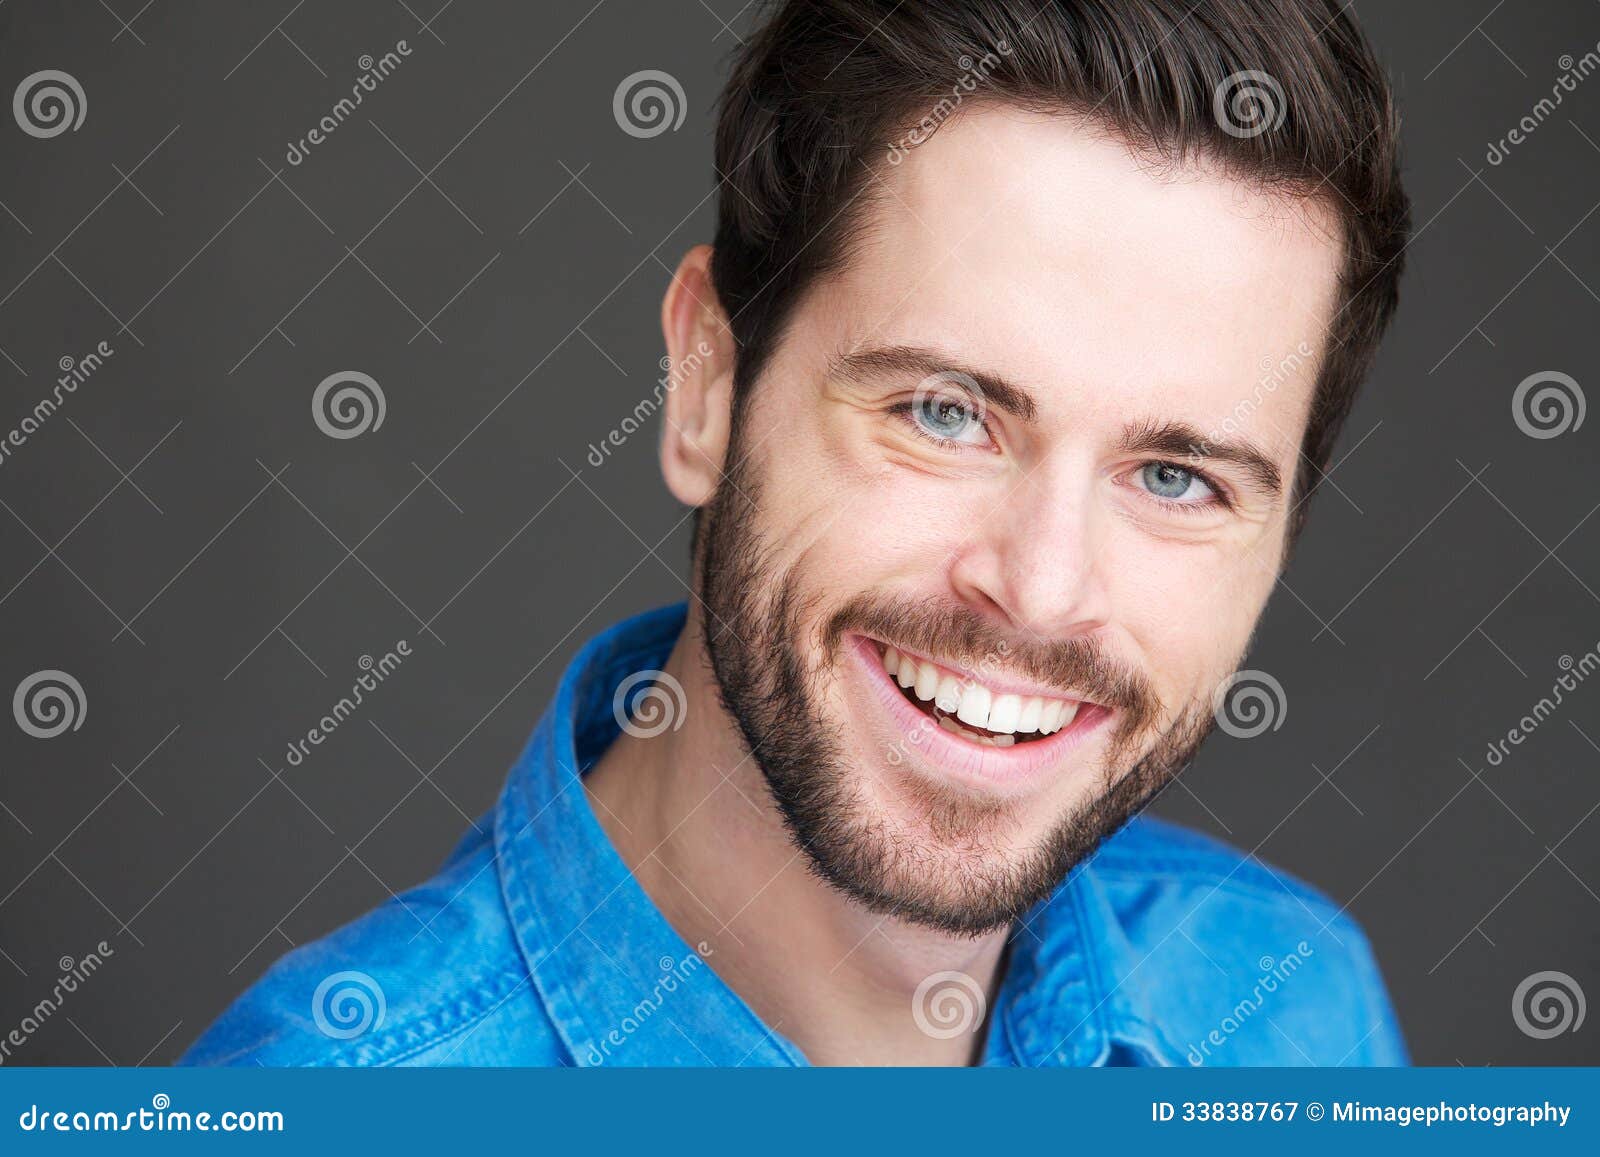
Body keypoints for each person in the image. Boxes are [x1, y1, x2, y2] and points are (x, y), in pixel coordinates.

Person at [184, 0, 1411, 1067]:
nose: (1039, 591)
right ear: (707, 382)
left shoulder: (1290, 1006)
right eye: (945, 413)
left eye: (1178, 477)